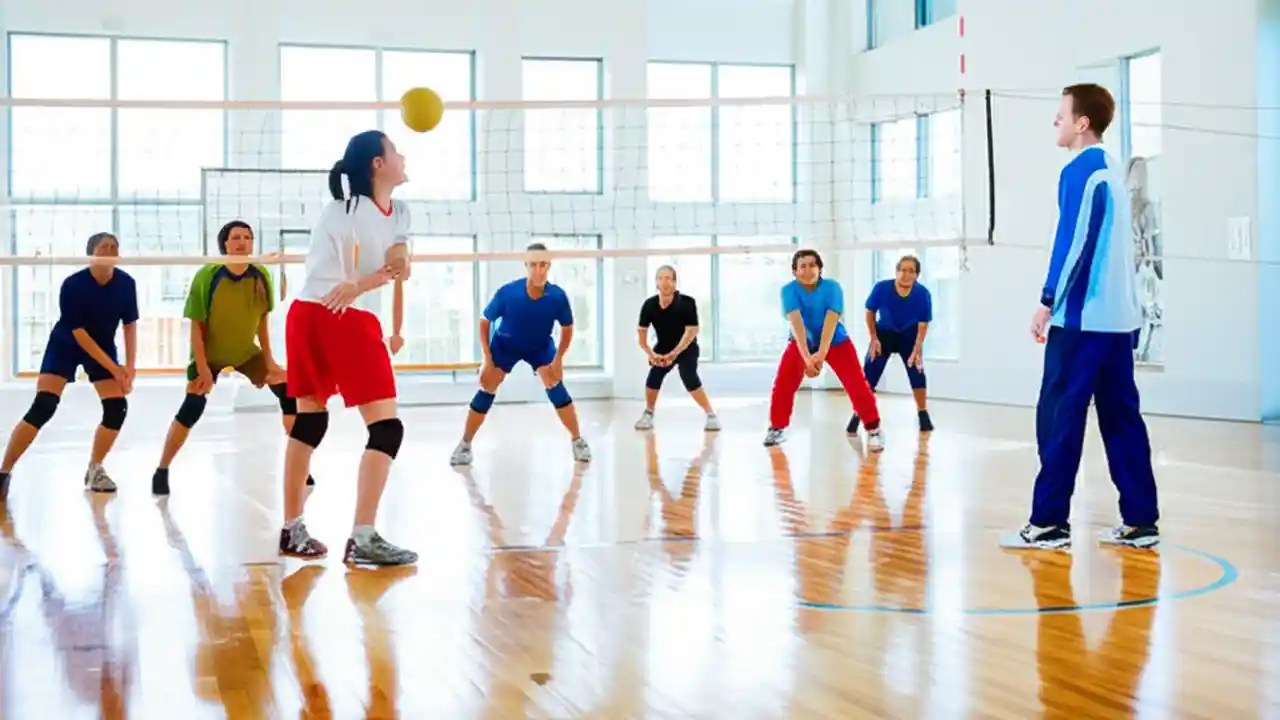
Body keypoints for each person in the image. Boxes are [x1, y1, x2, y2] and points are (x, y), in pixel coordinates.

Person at [1000, 83, 1159, 551]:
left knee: (1058, 417)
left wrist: (1047, 300)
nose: (1056, 122)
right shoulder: (1112, 167)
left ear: (1082, 123)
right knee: (1122, 418)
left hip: (1082, 321)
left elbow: (1073, 245)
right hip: (1118, 323)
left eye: (1061, 115)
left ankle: (1048, 522)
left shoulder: (1080, 170)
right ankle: (1140, 520)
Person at [277, 129, 415, 566]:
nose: (403, 156)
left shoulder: (399, 212)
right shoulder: (342, 212)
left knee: (309, 424)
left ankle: (292, 530)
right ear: (378, 164)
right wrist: (365, 283)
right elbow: (377, 272)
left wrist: (367, 281)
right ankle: (363, 537)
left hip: (316, 314)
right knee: (385, 429)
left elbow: (399, 266)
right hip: (336, 315)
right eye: (395, 151)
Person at [151, 220, 315, 497]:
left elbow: (262, 321)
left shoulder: (261, 274)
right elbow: (196, 326)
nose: (242, 242)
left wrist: (271, 362)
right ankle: (162, 469)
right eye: (236, 237)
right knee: (192, 407)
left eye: (248, 237)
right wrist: (202, 368)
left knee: (288, 394)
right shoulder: (208, 275)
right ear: (225, 243)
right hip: (210, 355)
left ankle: (303, 468)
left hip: (245, 352)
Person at [0, 232, 137, 501]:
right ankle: (4, 472)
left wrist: (129, 367)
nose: (111, 250)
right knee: (44, 406)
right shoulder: (73, 285)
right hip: (68, 342)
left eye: (115, 246)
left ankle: (95, 469)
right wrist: (114, 367)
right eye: (104, 247)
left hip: (102, 344)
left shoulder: (126, 283)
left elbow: (130, 324)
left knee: (117, 407)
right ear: (91, 254)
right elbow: (79, 333)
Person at [449, 242, 591, 466]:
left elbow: (567, 329)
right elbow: (485, 321)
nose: (538, 270)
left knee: (554, 382)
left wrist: (558, 359)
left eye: (543, 265)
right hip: (506, 344)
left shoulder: (557, 297)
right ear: (526, 265)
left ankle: (578, 440)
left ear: (549, 266)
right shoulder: (508, 293)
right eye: (533, 265)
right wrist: (487, 359)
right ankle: (465, 444)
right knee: (487, 385)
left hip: (539, 345)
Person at [765, 249, 883, 451]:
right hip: (801, 342)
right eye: (803, 266)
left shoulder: (832, 288)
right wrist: (807, 359)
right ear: (795, 271)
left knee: (856, 384)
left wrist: (820, 353)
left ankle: (873, 429)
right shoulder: (788, 290)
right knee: (783, 383)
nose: (808, 270)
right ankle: (777, 428)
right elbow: (797, 324)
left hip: (835, 341)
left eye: (813, 265)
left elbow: (831, 321)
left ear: (820, 269)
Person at [848, 254, 935, 435]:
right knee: (871, 371)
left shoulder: (922, 294)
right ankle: (858, 414)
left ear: (916, 275)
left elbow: (923, 324)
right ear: (896, 272)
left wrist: (917, 348)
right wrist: (873, 337)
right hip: (884, 334)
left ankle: (922, 413)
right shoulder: (882, 288)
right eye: (902, 269)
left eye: (911, 271)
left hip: (909, 335)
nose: (906, 274)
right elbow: (870, 312)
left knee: (916, 370)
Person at [633, 265, 719, 432]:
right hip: (663, 346)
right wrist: (652, 355)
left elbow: (692, 331)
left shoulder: (687, 303)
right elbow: (642, 336)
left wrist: (674, 353)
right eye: (661, 278)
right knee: (653, 377)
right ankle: (648, 413)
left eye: (669, 278)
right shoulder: (650, 305)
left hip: (686, 347)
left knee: (689, 377)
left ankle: (711, 415)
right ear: (656, 282)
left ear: (675, 282)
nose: (665, 282)